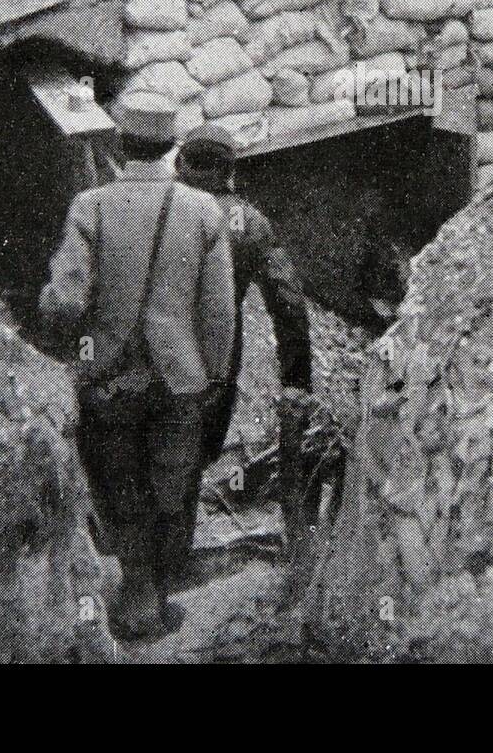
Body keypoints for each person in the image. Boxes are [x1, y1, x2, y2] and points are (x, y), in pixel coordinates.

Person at [39, 125, 235, 642]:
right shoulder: (203, 210)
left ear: (121, 148)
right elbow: (218, 311)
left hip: (107, 377)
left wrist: (57, 327)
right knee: (170, 486)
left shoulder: (90, 206)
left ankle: (136, 595)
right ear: (171, 147)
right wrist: (211, 374)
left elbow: (65, 303)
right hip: (179, 379)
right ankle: (155, 597)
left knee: (120, 486)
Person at [174, 124, 313, 548]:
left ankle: (153, 568)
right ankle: (174, 560)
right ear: (230, 172)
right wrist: (296, 382)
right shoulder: (248, 223)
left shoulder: (154, 207)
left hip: (149, 351)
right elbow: (289, 305)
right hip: (216, 358)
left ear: (182, 165)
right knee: (192, 455)